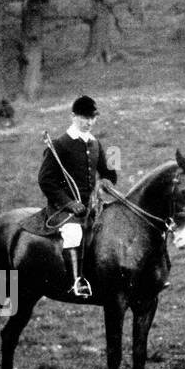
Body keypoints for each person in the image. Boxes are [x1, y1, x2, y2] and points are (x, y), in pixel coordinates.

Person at [38, 95, 118, 298]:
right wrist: (69, 203)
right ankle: (77, 282)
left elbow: (108, 174)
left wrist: (107, 180)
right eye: (84, 118)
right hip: (63, 208)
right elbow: (46, 181)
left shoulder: (95, 144)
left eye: (92, 118)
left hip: (90, 207)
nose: (89, 122)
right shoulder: (60, 145)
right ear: (73, 117)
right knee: (74, 233)